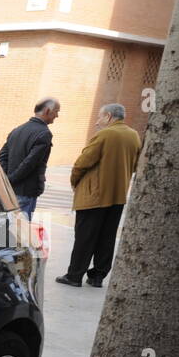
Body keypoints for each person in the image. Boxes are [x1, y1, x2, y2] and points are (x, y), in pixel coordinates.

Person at [55, 103, 141, 288]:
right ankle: (97, 277)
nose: (96, 122)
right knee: (107, 237)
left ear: (109, 116)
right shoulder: (133, 135)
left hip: (95, 196)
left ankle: (74, 275)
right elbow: (135, 164)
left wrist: (74, 181)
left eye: (100, 117)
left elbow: (82, 163)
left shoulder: (105, 135)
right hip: (118, 195)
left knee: (85, 237)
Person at [0, 97, 59, 219]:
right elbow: (30, 164)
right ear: (47, 110)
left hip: (10, 191)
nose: (57, 115)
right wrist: (11, 180)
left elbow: (1, 157)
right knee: (20, 230)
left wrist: (7, 180)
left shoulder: (17, 130)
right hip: (25, 191)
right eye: (56, 111)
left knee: (8, 227)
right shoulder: (44, 133)